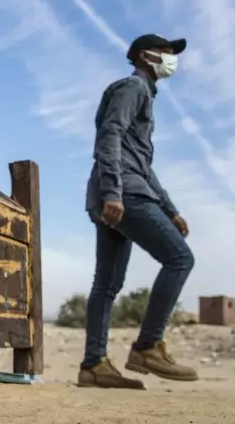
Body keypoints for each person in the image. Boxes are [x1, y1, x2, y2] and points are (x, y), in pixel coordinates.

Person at [78, 34, 198, 390]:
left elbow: (143, 164)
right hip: (122, 192)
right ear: (146, 56)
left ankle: (94, 366)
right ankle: (148, 347)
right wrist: (114, 191)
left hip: (118, 190)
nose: (172, 59)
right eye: (167, 52)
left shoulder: (143, 93)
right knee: (179, 259)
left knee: (107, 284)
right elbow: (109, 135)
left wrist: (169, 208)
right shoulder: (134, 87)